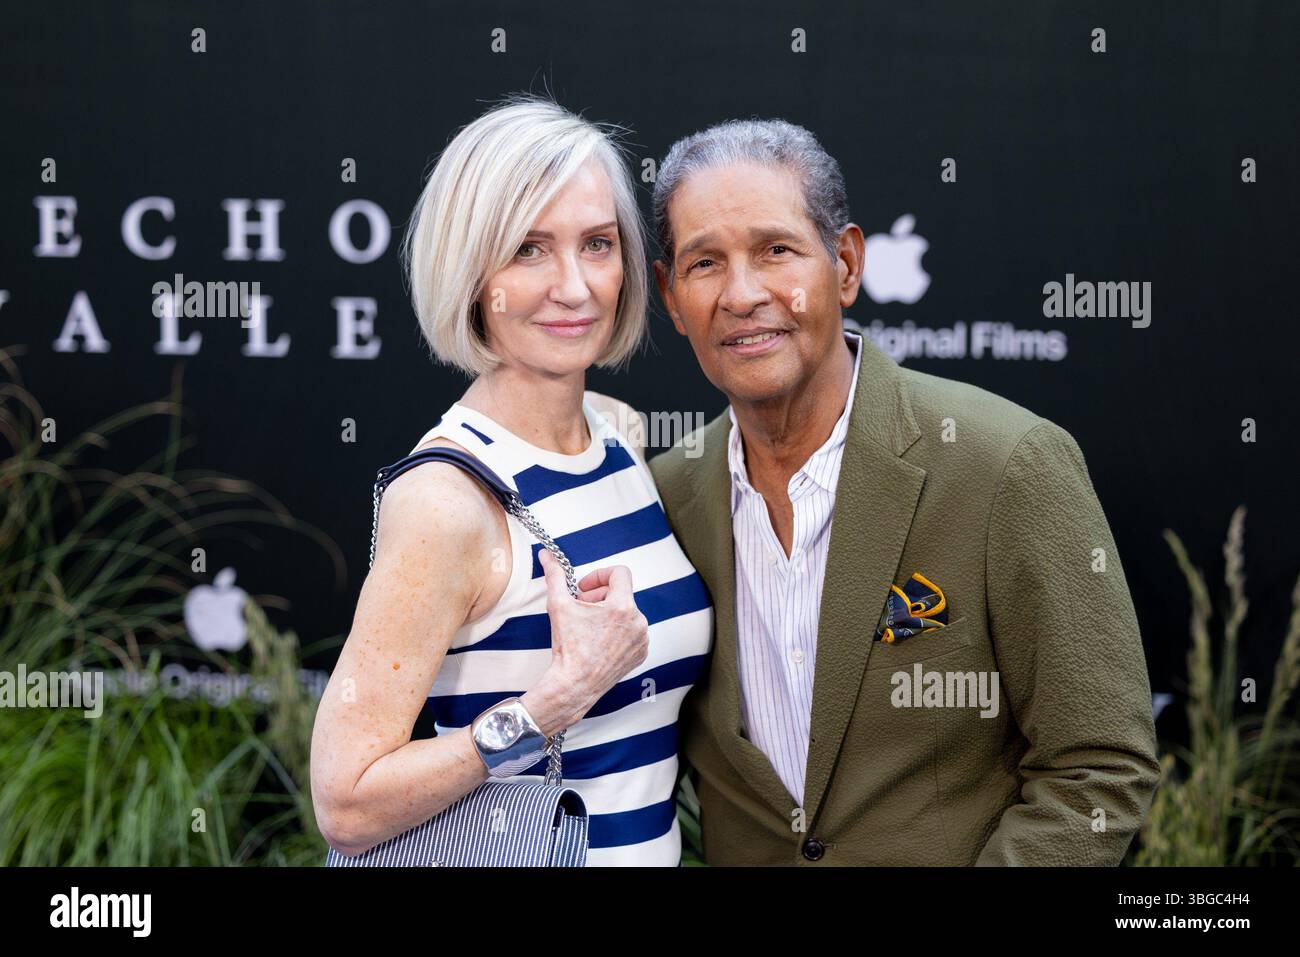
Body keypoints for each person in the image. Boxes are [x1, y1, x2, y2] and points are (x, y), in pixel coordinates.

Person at [648, 117, 1161, 865]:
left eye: (776, 250)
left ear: (847, 264)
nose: (743, 292)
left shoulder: (1006, 464)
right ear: (670, 296)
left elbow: (1101, 765)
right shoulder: (664, 499)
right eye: (704, 263)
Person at [311, 95, 713, 866]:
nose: (573, 285)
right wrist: (556, 700)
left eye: (597, 244)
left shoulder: (620, 433)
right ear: (471, 271)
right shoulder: (446, 500)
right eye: (528, 249)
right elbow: (346, 800)